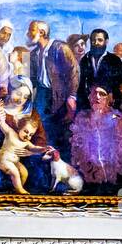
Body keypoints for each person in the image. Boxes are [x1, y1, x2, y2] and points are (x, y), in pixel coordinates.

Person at [69, 85, 122, 194]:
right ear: (89, 97)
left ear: (108, 99)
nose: (97, 97)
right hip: (89, 181)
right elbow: (76, 152)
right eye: (94, 93)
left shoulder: (117, 119)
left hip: (116, 180)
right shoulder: (81, 119)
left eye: (102, 94)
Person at [24, 20, 79, 152]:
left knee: (58, 129)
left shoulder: (60, 48)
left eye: (31, 30)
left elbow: (73, 71)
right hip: (42, 94)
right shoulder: (33, 53)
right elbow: (31, 78)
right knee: (38, 126)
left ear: (41, 33)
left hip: (59, 94)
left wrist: (72, 96)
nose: (28, 34)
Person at [0, 110, 43, 194]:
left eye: (31, 135)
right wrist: (0, 113)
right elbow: (2, 124)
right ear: (19, 128)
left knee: (24, 173)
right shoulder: (11, 133)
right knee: (15, 172)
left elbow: (34, 148)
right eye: (26, 131)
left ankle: (17, 189)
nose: (27, 136)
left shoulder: (26, 142)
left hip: (15, 162)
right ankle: (20, 189)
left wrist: (42, 149)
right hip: (3, 160)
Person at [77, 27, 122, 109]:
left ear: (106, 41)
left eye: (100, 40)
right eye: (93, 40)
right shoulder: (85, 59)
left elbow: (120, 84)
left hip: (109, 104)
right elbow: (81, 84)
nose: (96, 43)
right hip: (89, 104)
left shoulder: (114, 60)